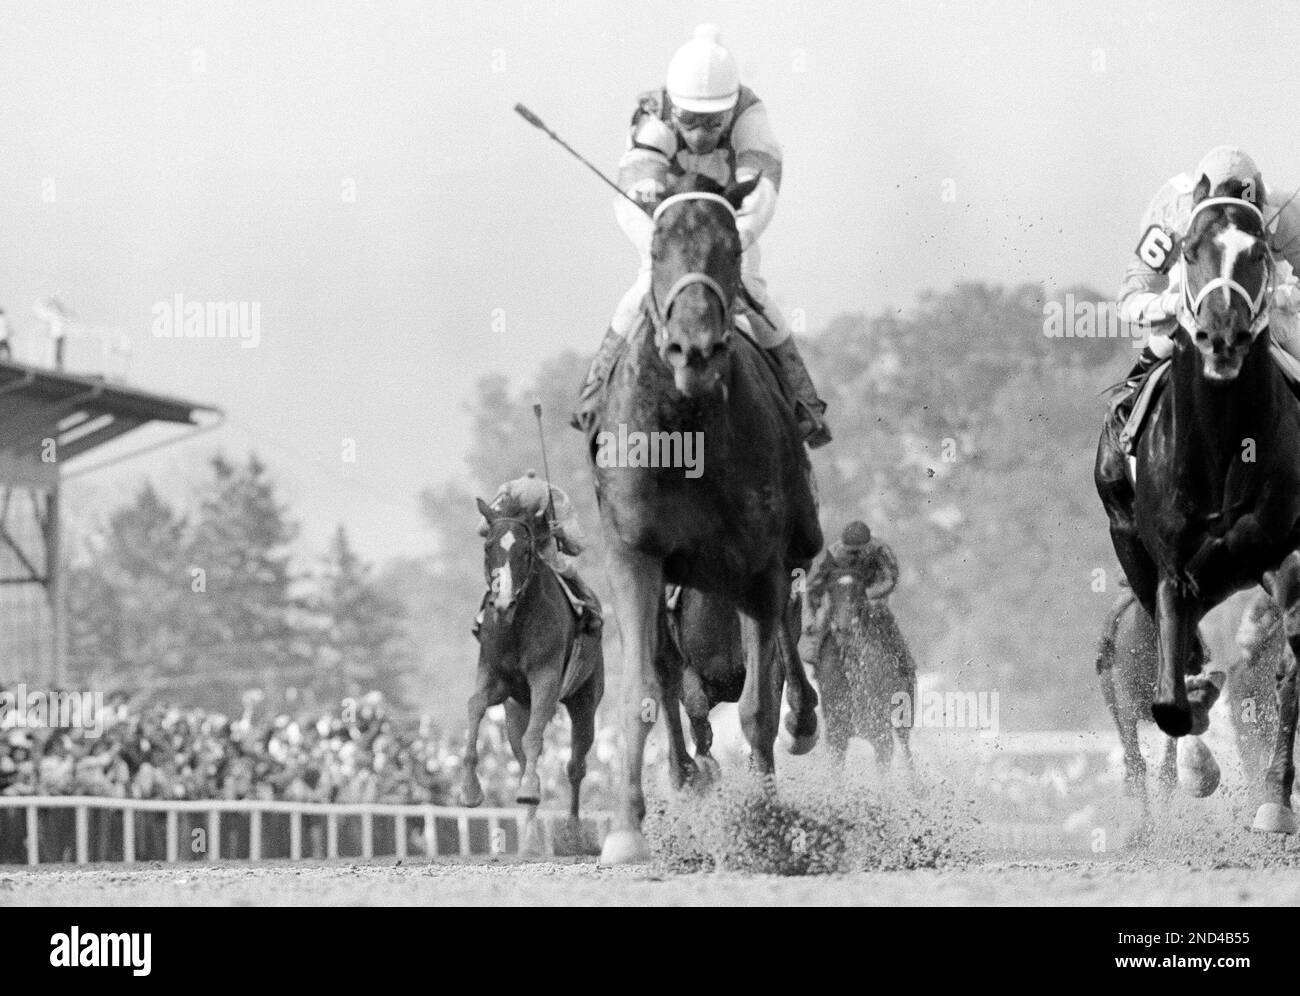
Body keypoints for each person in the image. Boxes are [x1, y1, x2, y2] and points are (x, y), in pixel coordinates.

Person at [574, 24, 831, 448]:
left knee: (750, 288)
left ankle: (803, 401)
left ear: (731, 109)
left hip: (726, 229)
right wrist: (663, 248)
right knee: (644, 289)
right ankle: (596, 390)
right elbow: (631, 200)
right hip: (667, 231)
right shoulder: (652, 116)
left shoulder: (752, 115)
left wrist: (734, 239)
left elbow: (761, 189)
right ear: (674, 107)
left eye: (713, 123)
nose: (700, 134)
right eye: (690, 121)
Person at [1110, 146, 1300, 429]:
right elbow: (1129, 300)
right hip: (1189, 307)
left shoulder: (1284, 212)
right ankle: (1118, 447)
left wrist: (1282, 298)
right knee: (1123, 403)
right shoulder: (1172, 213)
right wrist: (1175, 305)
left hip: (1264, 310)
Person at [473, 470, 602, 636]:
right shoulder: (505, 493)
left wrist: (562, 534)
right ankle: (483, 614)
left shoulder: (556, 500)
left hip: (543, 542)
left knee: (562, 567)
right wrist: (501, 527)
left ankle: (589, 607)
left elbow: (578, 546)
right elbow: (482, 529)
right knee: (502, 568)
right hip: (515, 542)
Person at [803, 520, 899, 636]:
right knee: (822, 627)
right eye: (850, 551)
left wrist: (870, 593)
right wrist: (811, 616)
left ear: (868, 546)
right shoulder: (835, 552)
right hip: (841, 596)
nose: (854, 555)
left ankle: (895, 650)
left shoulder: (880, 549)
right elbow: (816, 584)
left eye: (857, 551)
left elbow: (891, 578)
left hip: (872, 593)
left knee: (881, 615)